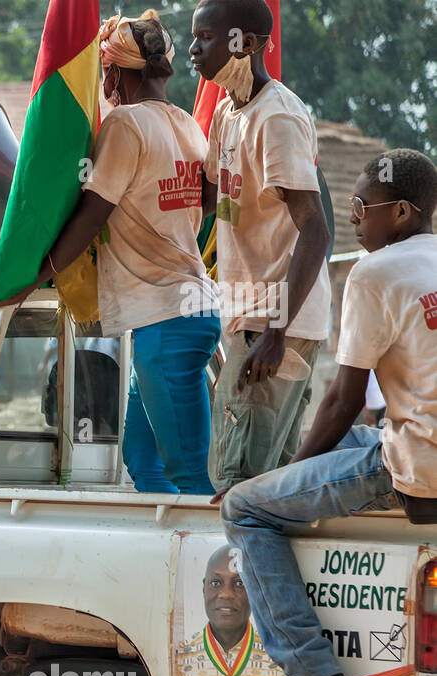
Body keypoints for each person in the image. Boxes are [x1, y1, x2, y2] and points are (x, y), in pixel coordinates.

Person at [221, 148, 437, 676]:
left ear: (400, 212)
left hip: (411, 467)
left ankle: (309, 670)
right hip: (412, 442)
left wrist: (288, 475)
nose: (355, 218)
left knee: (245, 508)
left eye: (362, 207)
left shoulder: (375, 273)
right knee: (358, 439)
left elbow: (342, 402)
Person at [3, 10, 221, 493]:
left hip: (166, 322)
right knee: (143, 464)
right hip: (179, 317)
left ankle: (207, 566)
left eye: (104, 71)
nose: (102, 84)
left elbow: (91, 214)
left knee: (187, 474)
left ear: (118, 71)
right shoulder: (186, 124)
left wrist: (41, 272)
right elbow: (206, 203)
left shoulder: (125, 124)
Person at [190, 0, 334, 496]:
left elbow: (316, 230)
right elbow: (209, 196)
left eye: (205, 37)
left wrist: (276, 332)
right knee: (266, 484)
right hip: (249, 320)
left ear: (246, 44)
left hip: (274, 326)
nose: (192, 49)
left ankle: (239, 577)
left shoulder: (277, 117)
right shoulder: (229, 112)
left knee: (240, 483)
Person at [176, 546, 284, 676]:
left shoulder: (281, 661)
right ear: (204, 588)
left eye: (240, 583)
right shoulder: (179, 661)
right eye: (216, 583)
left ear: (255, 591)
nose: (226, 594)